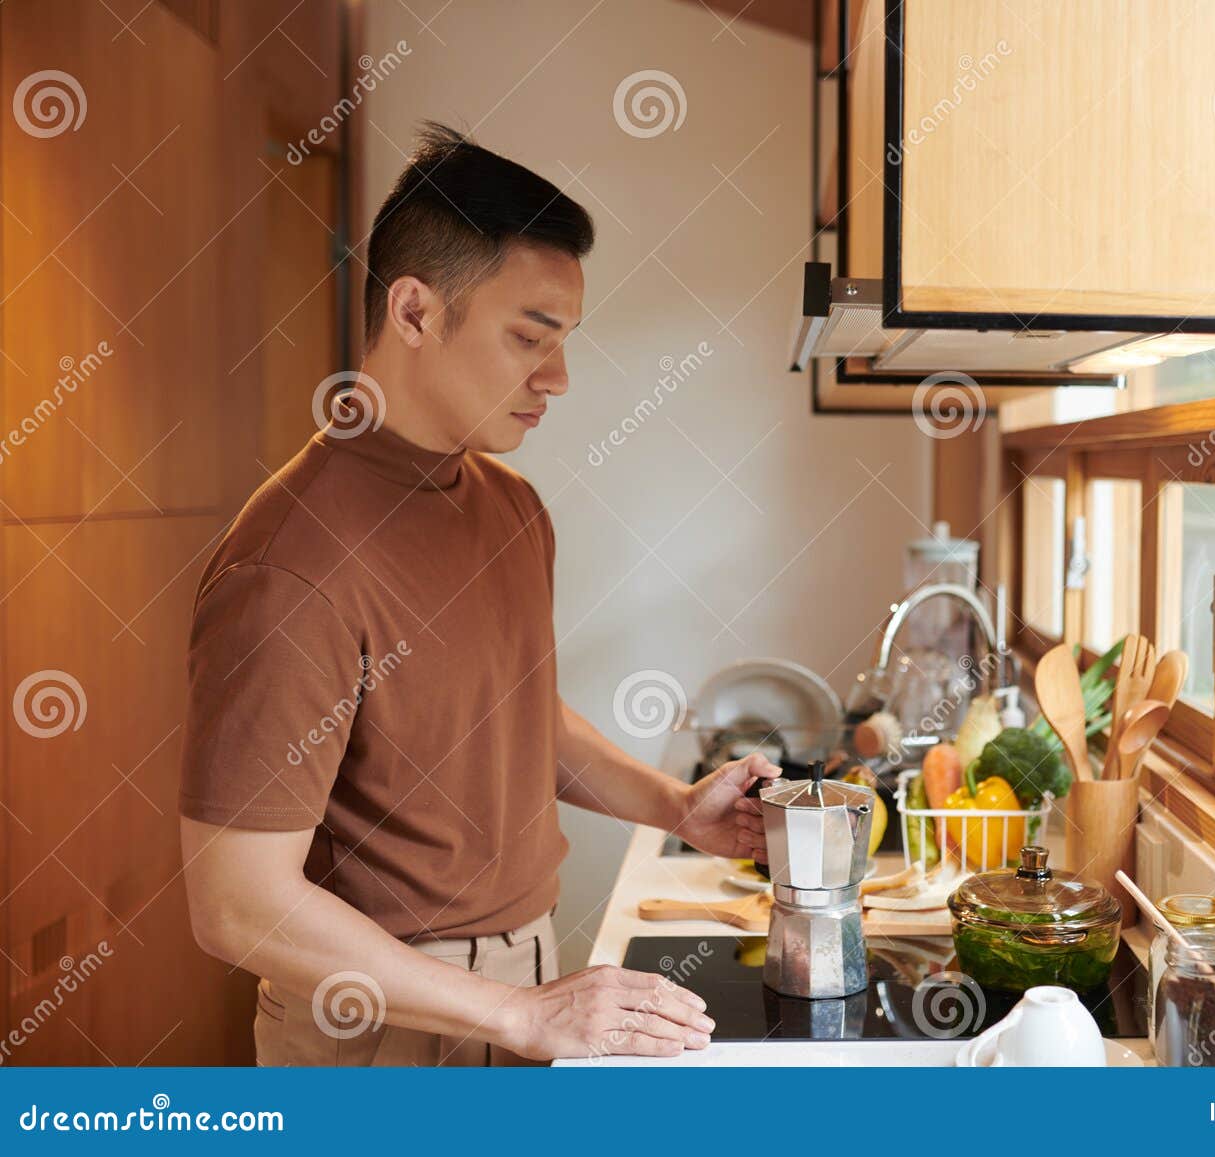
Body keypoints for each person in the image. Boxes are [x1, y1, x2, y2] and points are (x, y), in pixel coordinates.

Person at [177, 123, 775, 1065]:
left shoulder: (510, 506)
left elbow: (519, 712)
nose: (560, 377)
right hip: (375, 1022)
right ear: (414, 311)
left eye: (566, 339)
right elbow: (235, 900)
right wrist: (514, 1013)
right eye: (529, 337)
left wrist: (676, 807)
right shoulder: (289, 563)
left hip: (523, 981)